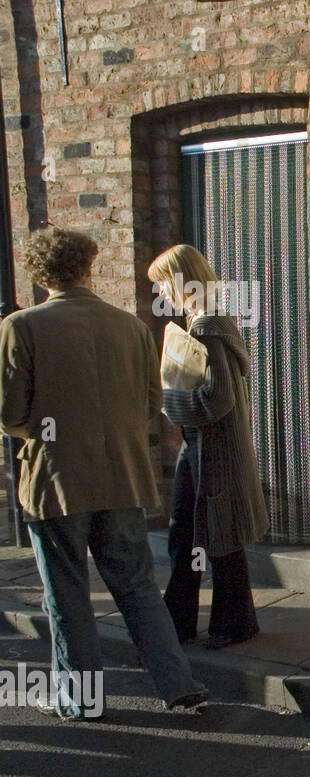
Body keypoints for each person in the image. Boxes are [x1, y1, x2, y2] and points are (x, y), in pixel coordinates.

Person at [0, 227, 208, 718]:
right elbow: (151, 403)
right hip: (121, 476)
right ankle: (177, 684)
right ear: (88, 266)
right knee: (137, 588)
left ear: (39, 272)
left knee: (67, 596)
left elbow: (9, 413)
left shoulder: (21, 327)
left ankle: (81, 700)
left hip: (55, 483)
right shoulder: (131, 327)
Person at [148, 245, 269, 650]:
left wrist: (167, 402)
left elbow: (217, 400)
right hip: (201, 445)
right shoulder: (207, 321)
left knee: (217, 537)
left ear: (183, 280)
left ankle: (233, 624)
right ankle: (180, 621)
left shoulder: (207, 328)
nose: (160, 293)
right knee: (188, 533)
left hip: (212, 447)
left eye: (163, 283)